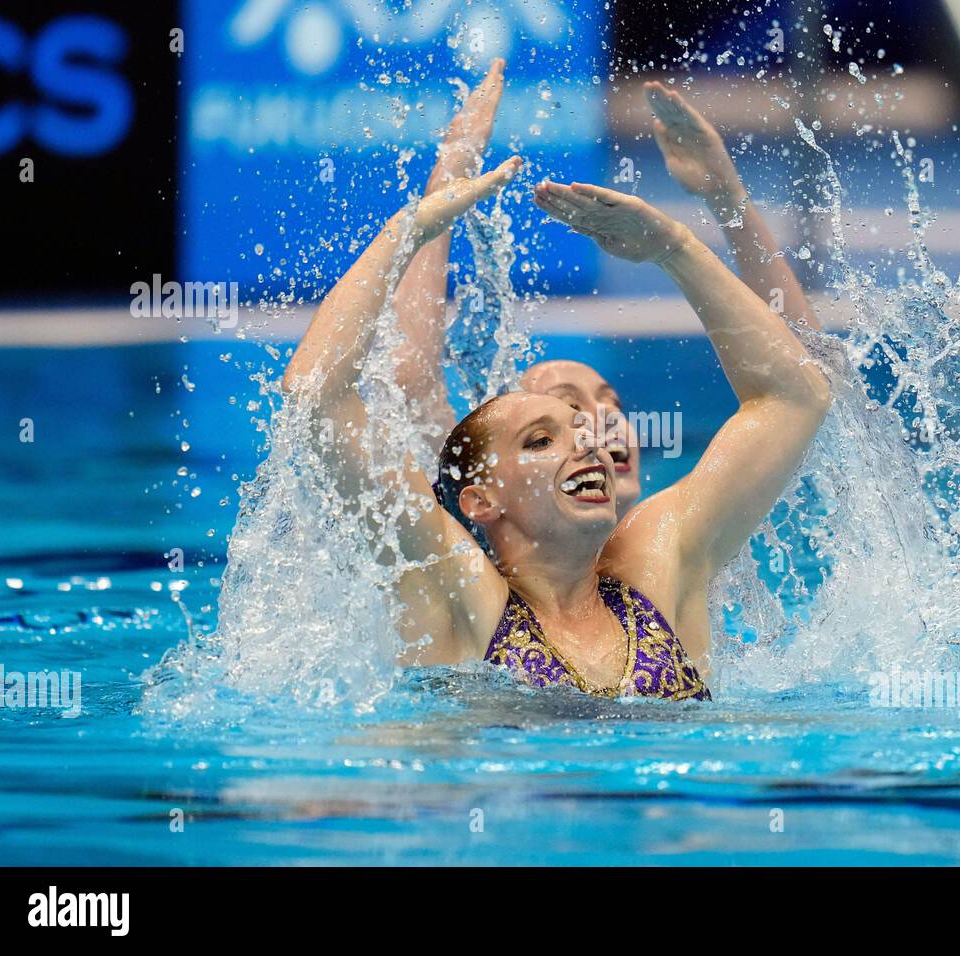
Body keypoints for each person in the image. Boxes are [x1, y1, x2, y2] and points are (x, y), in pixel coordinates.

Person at [284, 70, 832, 702]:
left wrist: (675, 247)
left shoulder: (659, 562)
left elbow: (798, 395)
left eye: (592, 424)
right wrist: (409, 229)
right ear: (481, 501)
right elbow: (318, 396)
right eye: (543, 437)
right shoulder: (457, 592)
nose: (591, 441)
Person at [391, 63, 820, 519]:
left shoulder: (675, 546)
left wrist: (725, 202)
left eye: (612, 403)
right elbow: (409, 384)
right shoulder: (477, 560)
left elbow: (805, 377)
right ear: (491, 488)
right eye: (564, 412)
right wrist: (446, 182)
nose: (607, 420)